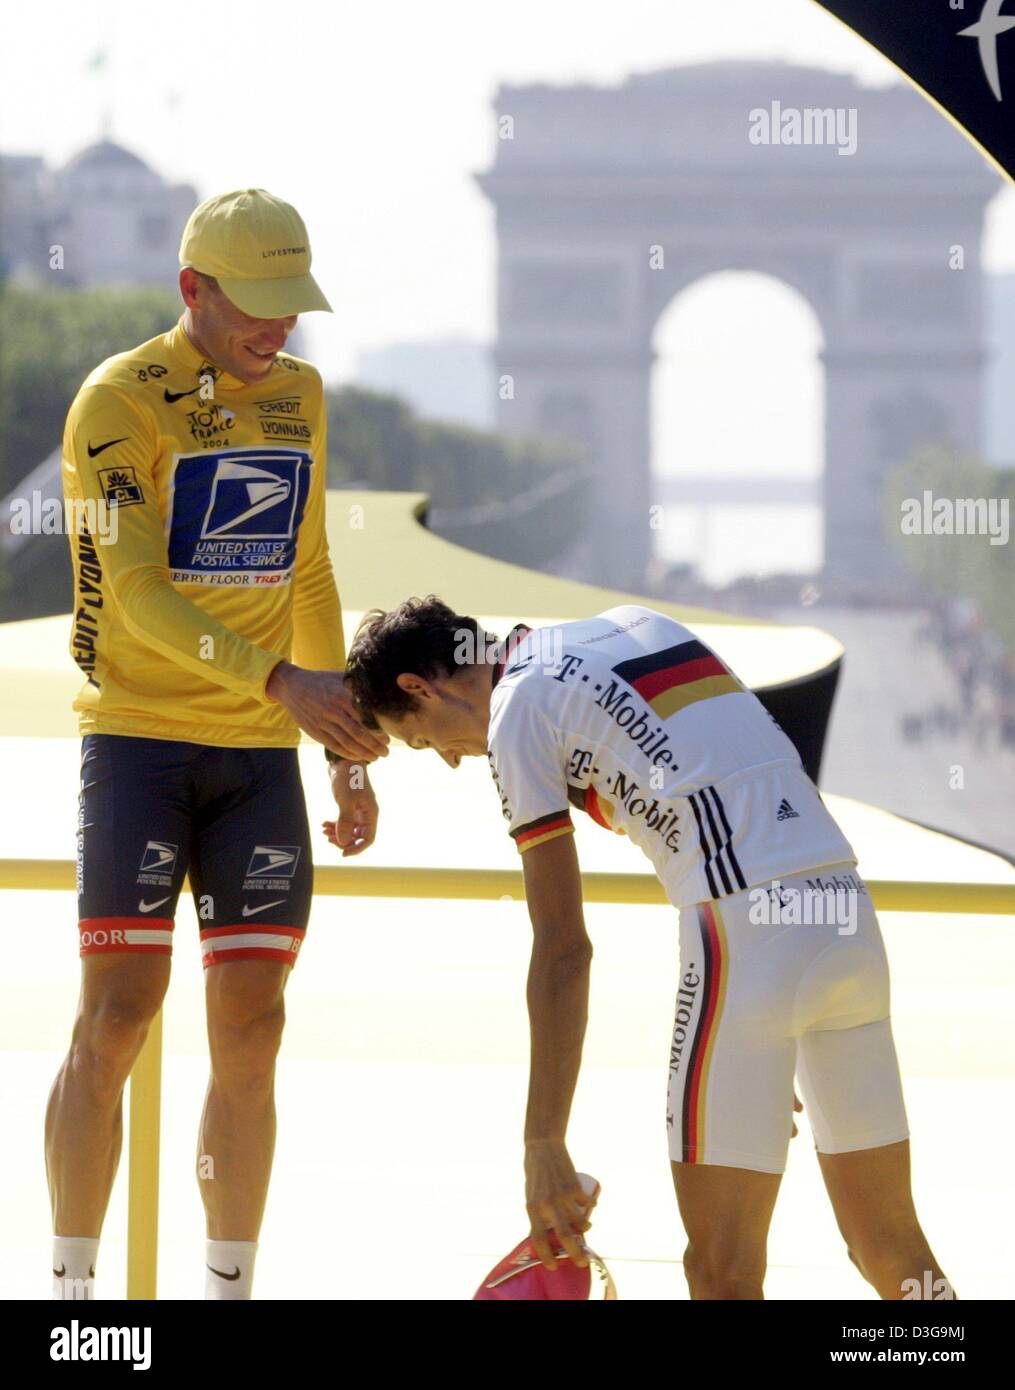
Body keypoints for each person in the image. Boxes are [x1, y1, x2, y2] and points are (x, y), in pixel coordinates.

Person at [338, 595, 953, 1301]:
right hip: (843, 911)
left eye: (421, 740)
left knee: (719, 1271)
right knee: (890, 1245)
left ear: (421, 687)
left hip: (743, 934)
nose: (448, 759)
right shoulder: (636, 626)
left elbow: (563, 948)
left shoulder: (516, 709)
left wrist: (543, 1144)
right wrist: (763, 1042)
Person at [47, 188, 389, 1301]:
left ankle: (229, 1290)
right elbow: (137, 593)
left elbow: (310, 565)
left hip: (260, 755)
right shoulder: (117, 400)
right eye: (258, 305)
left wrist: (340, 737)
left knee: (255, 1030)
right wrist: (280, 678)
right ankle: (70, 1297)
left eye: (294, 307)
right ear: (192, 288)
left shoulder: (300, 393)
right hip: (141, 740)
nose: (279, 329)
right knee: (117, 1021)